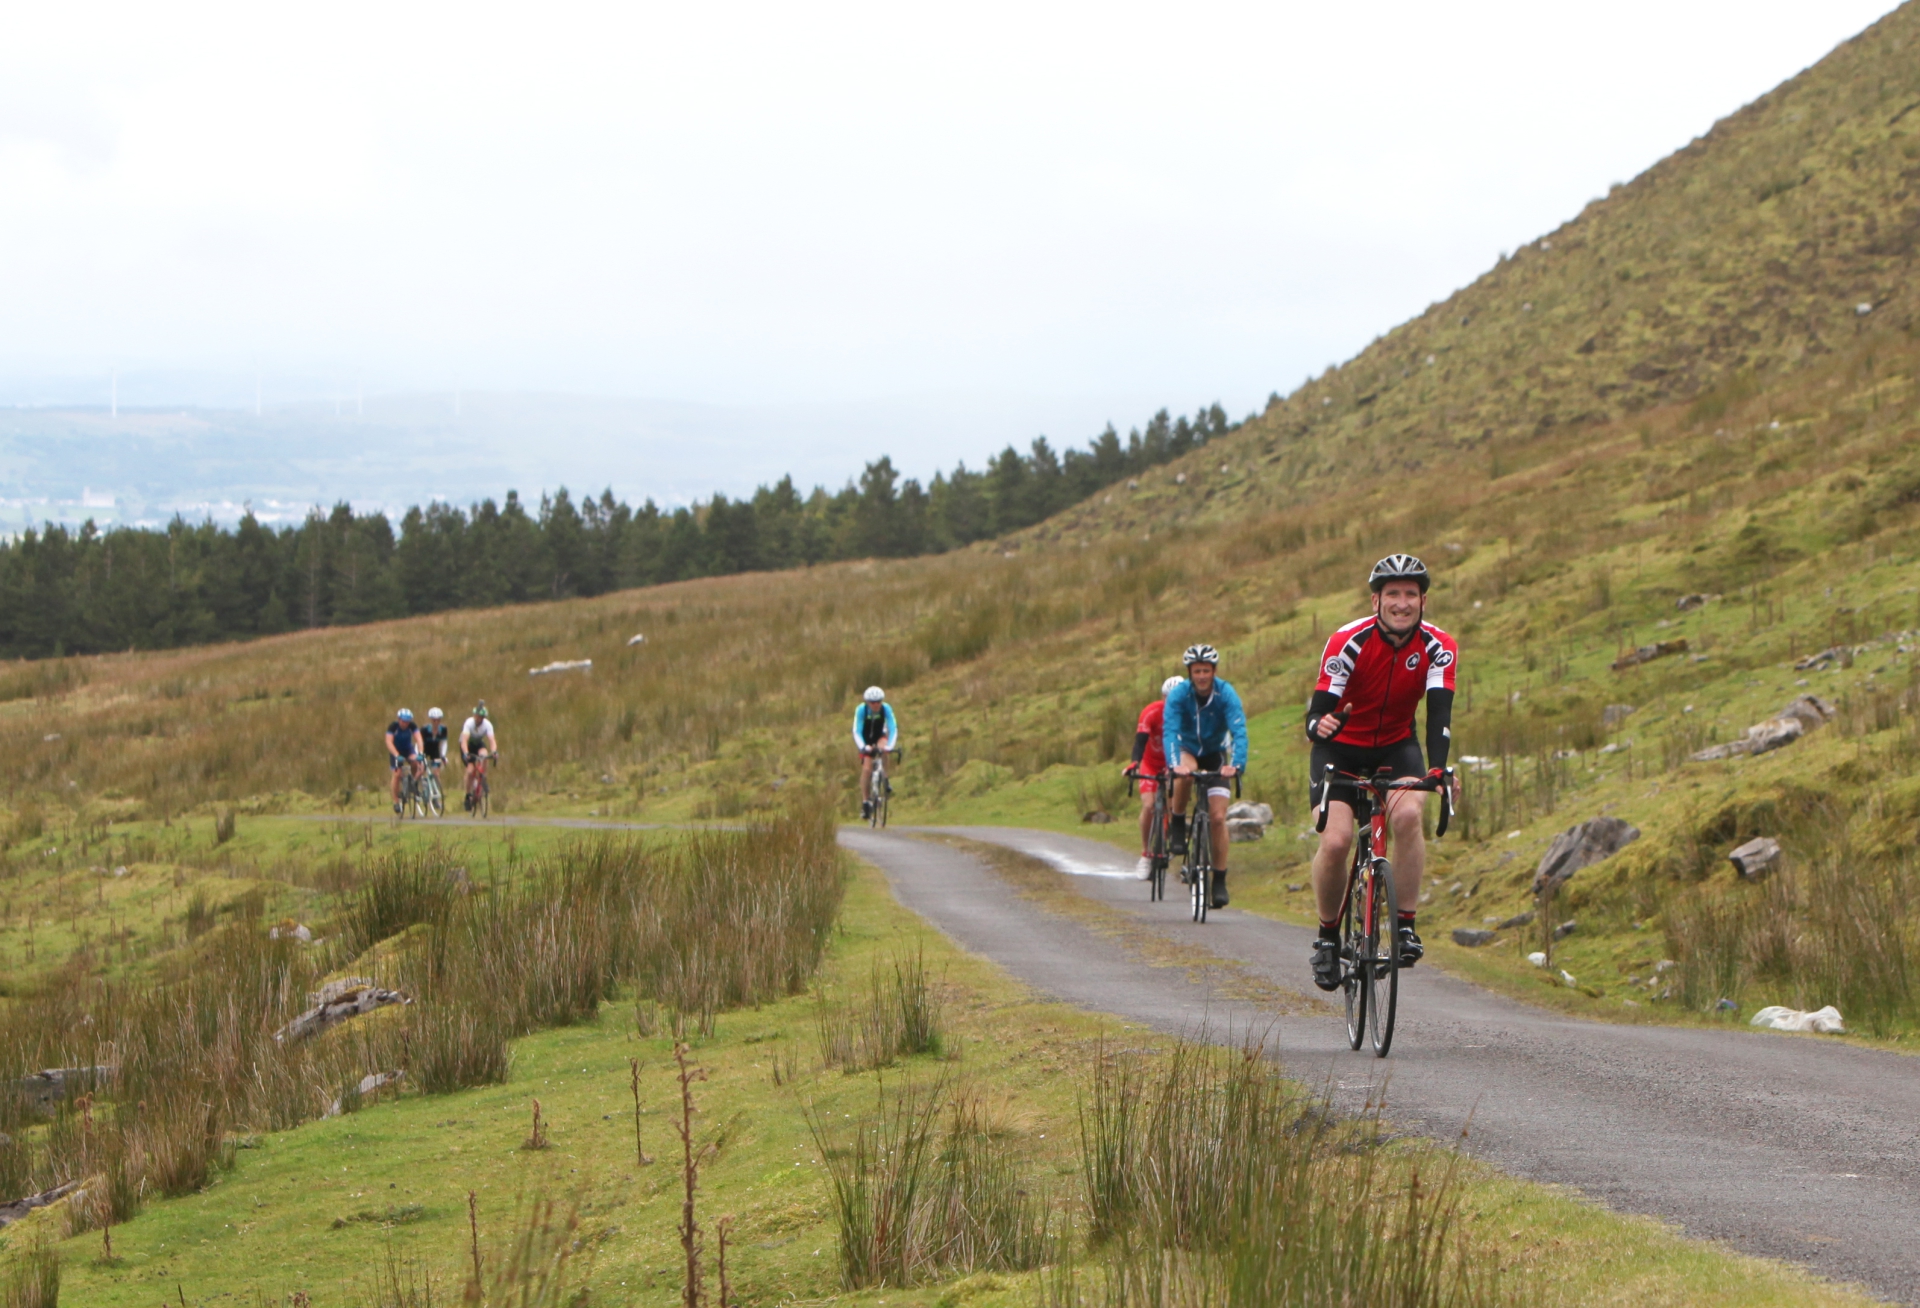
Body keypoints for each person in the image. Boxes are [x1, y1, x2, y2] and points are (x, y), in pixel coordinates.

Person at [1304, 554, 1459, 991]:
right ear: (1376, 600)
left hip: (1396, 745)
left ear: (1423, 600)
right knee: (1334, 841)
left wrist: (1437, 769)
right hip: (1341, 749)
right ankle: (1328, 939)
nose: (1402, 603)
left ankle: (1405, 924)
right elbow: (1316, 713)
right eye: (1393, 594)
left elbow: (1438, 714)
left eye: (1411, 594)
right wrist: (1321, 724)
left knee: (1408, 816)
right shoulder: (1346, 640)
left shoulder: (1439, 645)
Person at [1162, 645, 1248, 909]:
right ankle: (1178, 823)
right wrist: (1175, 765)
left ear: (1214, 672)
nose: (1201, 676)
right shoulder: (1178, 695)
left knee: (1218, 818)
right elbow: (1170, 731)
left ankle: (1219, 879)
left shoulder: (1226, 693)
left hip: (1215, 753)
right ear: (1190, 673)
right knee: (1185, 776)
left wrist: (1236, 764)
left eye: (1206, 671)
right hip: (1187, 750)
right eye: (1197, 671)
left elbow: (1239, 729)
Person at [1125, 676, 1184, 879]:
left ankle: (1166, 838)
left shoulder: (1189, 716)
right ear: (1163, 697)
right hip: (1151, 763)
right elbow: (1140, 741)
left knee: (1172, 805)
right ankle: (1145, 854)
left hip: (1174, 763)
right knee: (1149, 805)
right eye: (1169, 698)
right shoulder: (1151, 712)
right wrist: (1134, 762)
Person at [852, 686, 898, 820]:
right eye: (873, 702)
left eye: (878, 701)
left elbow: (893, 728)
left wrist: (890, 746)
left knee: (884, 749)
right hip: (865, 740)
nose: (876, 704)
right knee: (867, 769)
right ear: (867, 702)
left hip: (879, 736)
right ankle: (866, 802)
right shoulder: (861, 710)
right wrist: (863, 747)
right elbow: (856, 731)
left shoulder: (886, 709)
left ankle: (885, 777)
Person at [460, 702, 499, 810]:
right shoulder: (469, 723)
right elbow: (464, 741)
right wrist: (466, 753)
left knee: (485, 755)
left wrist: (494, 751)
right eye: (478, 717)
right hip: (467, 746)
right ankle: (467, 795)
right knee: (470, 771)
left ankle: (483, 778)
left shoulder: (487, 724)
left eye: (482, 717)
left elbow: (492, 740)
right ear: (474, 716)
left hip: (478, 745)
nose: (479, 719)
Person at [386, 708, 422, 814]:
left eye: (408, 721)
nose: (405, 723)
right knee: (397, 774)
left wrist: (420, 753)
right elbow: (389, 742)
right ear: (399, 719)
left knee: (415, 762)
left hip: (407, 749)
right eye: (403, 721)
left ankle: (413, 783)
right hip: (395, 751)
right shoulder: (393, 727)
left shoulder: (412, 726)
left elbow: (419, 739)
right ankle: (396, 801)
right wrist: (396, 755)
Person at [420, 707, 450, 788]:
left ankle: (438, 794)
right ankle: (417, 786)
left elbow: (444, 743)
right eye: (434, 720)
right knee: (421, 770)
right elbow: (419, 743)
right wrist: (419, 754)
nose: (436, 722)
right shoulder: (424, 729)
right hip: (424, 750)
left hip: (435, 751)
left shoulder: (443, 729)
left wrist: (443, 755)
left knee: (436, 774)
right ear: (431, 719)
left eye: (438, 720)